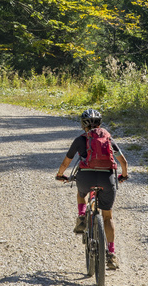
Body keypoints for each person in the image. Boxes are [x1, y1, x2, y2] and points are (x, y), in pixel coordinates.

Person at [55, 108, 128, 270]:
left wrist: (60, 175)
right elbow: (123, 161)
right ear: (100, 123)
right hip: (107, 179)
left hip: (86, 177)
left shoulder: (80, 140)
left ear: (83, 125)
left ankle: (82, 217)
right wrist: (123, 175)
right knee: (107, 216)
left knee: (81, 193)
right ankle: (111, 254)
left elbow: (66, 162)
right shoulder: (108, 138)